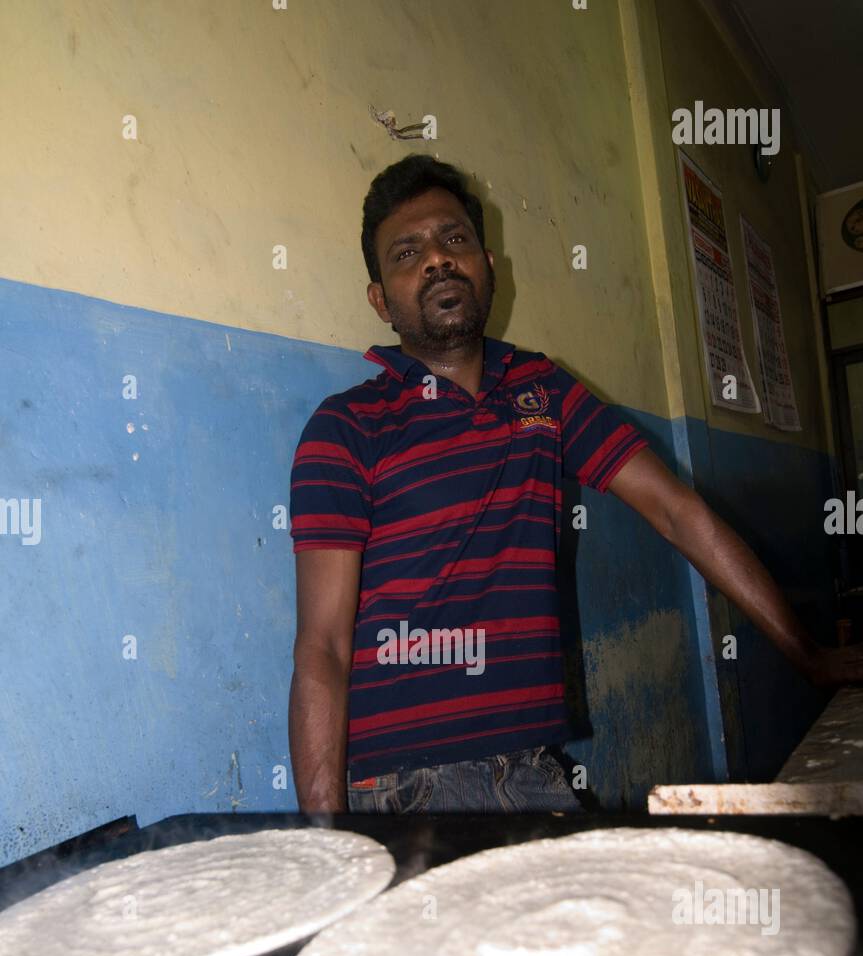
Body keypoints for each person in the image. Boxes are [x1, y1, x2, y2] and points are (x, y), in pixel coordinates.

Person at [289, 155, 862, 814]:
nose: (437, 262)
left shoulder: (543, 390)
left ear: (489, 267)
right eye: (406, 253)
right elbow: (323, 648)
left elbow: (678, 513)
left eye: (454, 240)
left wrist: (808, 656)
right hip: (401, 787)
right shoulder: (345, 427)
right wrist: (325, 844)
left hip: (533, 772)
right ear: (380, 300)